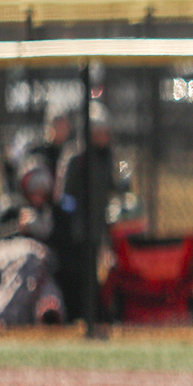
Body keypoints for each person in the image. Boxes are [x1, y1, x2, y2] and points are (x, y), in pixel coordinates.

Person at [0, 156, 66, 334]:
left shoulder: (54, 213)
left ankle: (46, 324)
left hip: (42, 271)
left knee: (50, 299)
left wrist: (42, 229)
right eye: (33, 184)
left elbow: (63, 244)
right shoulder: (10, 208)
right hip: (9, 268)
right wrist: (17, 228)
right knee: (27, 259)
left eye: (43, 184)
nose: (38, 190)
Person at [53, 101, 118, 323]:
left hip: (98, 226)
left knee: (95, 272)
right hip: (75, 232)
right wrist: (74, 222)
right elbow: (64, 197)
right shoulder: (75, 158)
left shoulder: (108, 158)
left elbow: (114, 190)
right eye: (99, 132)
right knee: (79, 274)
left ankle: (95, 313)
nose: (103, 136)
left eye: (105, 132)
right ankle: (81, 313)